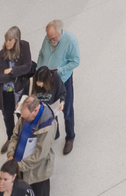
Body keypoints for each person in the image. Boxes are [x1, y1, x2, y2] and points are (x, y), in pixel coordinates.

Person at [35, 20, 78, 154]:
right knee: (51, 107)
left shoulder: (70, 41)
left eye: (53, 38)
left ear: (60, 32)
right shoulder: (47, 39)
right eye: (49, 38)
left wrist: (59, 70)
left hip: (63, 81)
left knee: (67, 109)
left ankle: (70, 137)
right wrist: (39, 71)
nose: (51, 40)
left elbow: (75, 61)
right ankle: (56, 131)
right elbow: (41, 54)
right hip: (47, 82)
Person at [0, 26, 35, 152]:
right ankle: (10, 139)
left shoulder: (24, 46)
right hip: (6, 92)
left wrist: (11, 71)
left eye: (10, 40)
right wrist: (17, 73)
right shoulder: (1, 54)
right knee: (7, 117)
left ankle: (24, 138)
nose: (7, 43)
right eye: (6, 40)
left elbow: (27, 67)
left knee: (22, 115)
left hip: (20, 89)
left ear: (16, 40)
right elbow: (0, 77)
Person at [9, 91, 62, 196]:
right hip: (20, 167)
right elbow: (15, 135)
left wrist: (17, 166)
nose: (24, 120)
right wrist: (10, 154)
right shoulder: (25, 115)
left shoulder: (48, 125)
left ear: (36, 110)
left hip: (37, 174)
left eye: (26, 118)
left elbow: (39, 156)